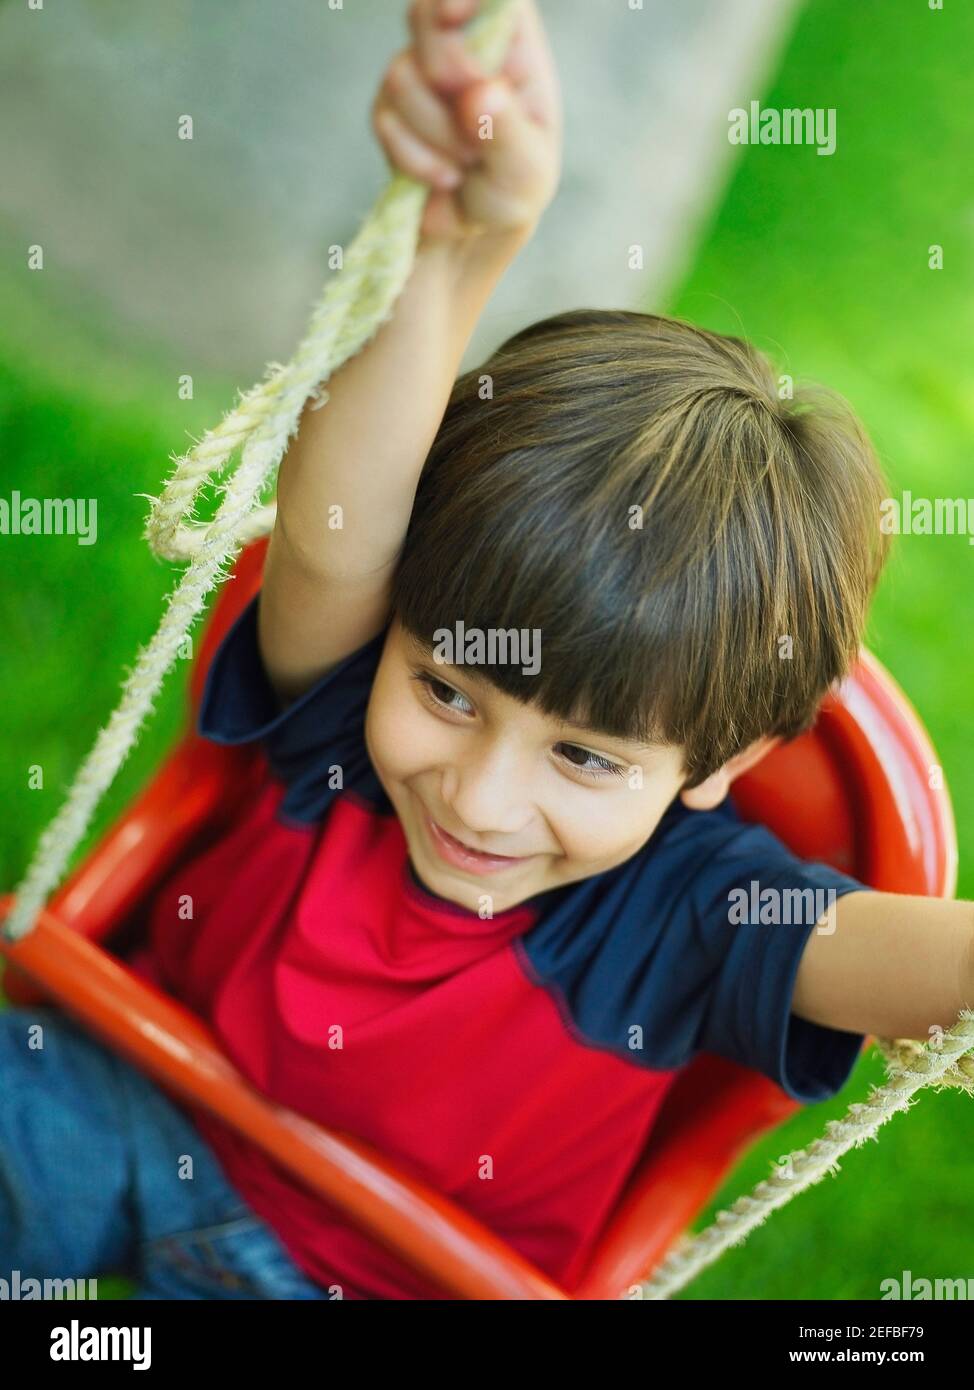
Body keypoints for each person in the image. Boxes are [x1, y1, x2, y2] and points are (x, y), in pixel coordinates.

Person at [2, 0, 971, 1301]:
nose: (477, 792)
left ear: (715, 761)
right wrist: (461, 245)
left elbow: (932, 970)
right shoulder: (342, 707)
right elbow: (339, 536)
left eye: (581, 752)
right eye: (447, 689)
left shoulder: (704, 915)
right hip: (125, 1099)